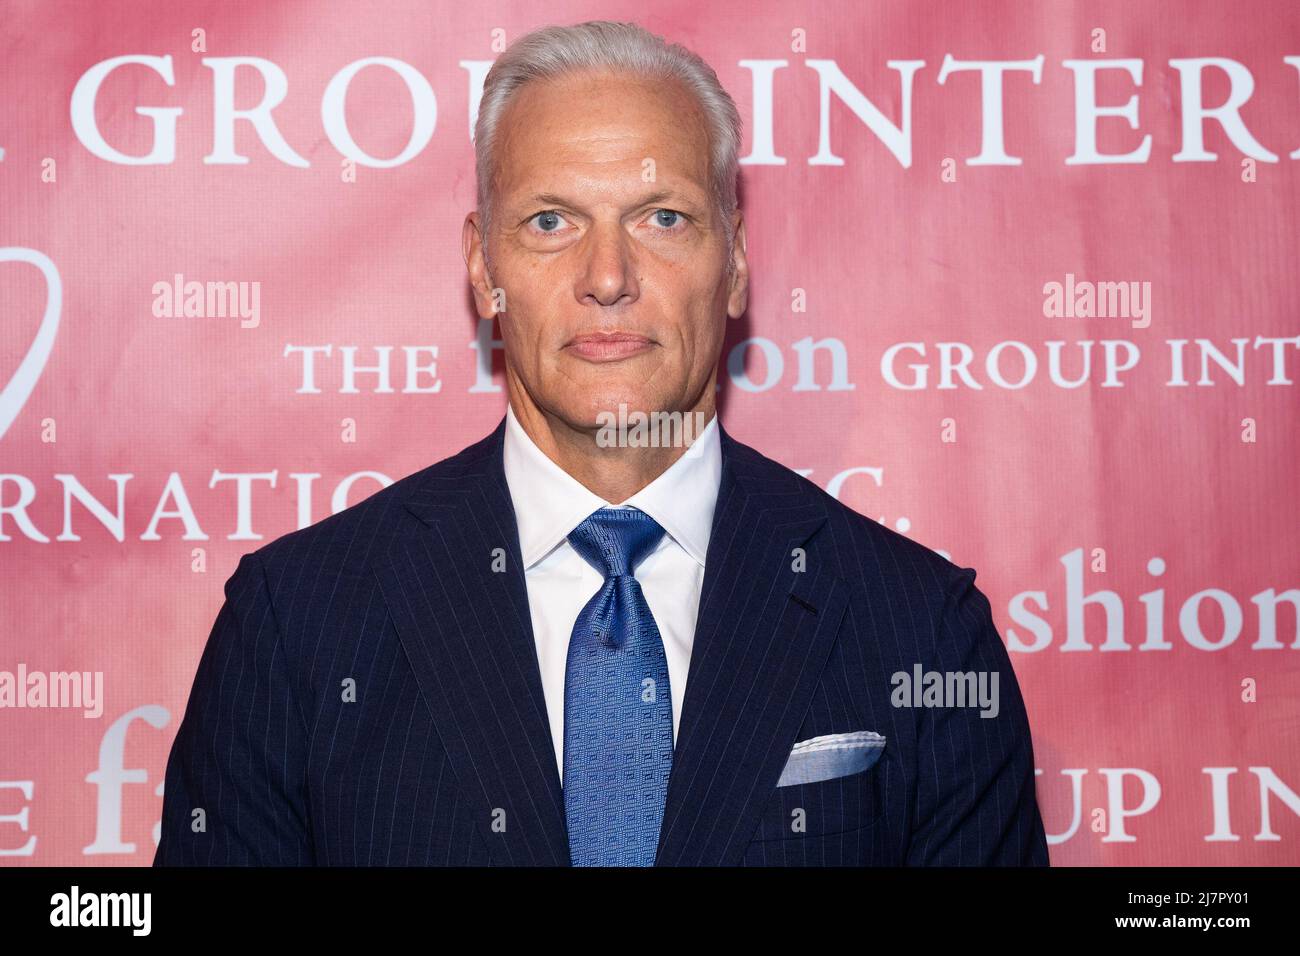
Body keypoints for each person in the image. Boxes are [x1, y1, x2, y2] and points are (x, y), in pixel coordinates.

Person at [155, 19, 1049, 867]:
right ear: (482, 268)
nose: (609, 278)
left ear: (734, 261)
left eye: (663, 218)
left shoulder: (922, 631)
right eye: (551, 221)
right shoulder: (296, 625)